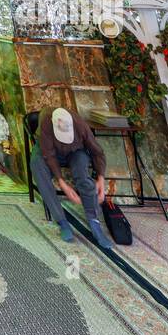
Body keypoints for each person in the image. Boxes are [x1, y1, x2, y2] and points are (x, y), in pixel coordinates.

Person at [31, 106, 113, 250]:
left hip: (75, 151)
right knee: (37, 165)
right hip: (49, 150)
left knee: (82, 171)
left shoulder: (81, 126)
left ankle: (94, 221)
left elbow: (97, 152)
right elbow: (49, 155)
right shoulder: (46, 122)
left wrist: (101, 178)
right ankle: (62, 221)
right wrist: (62, 182)